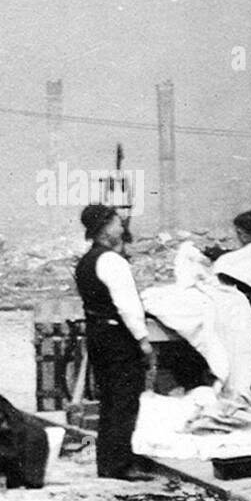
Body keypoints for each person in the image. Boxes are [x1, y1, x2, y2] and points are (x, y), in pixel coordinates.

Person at [76, 204, 155, 481]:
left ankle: (108, 462)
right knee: (124, 400)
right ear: (106, 227)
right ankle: (121, 464)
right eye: (118, 223)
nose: (122, 228)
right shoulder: (112, 261)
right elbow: (128, 306)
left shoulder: (86, 262)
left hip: (97, 335)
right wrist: (143, 340)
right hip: (117, 337)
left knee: (109, 400)